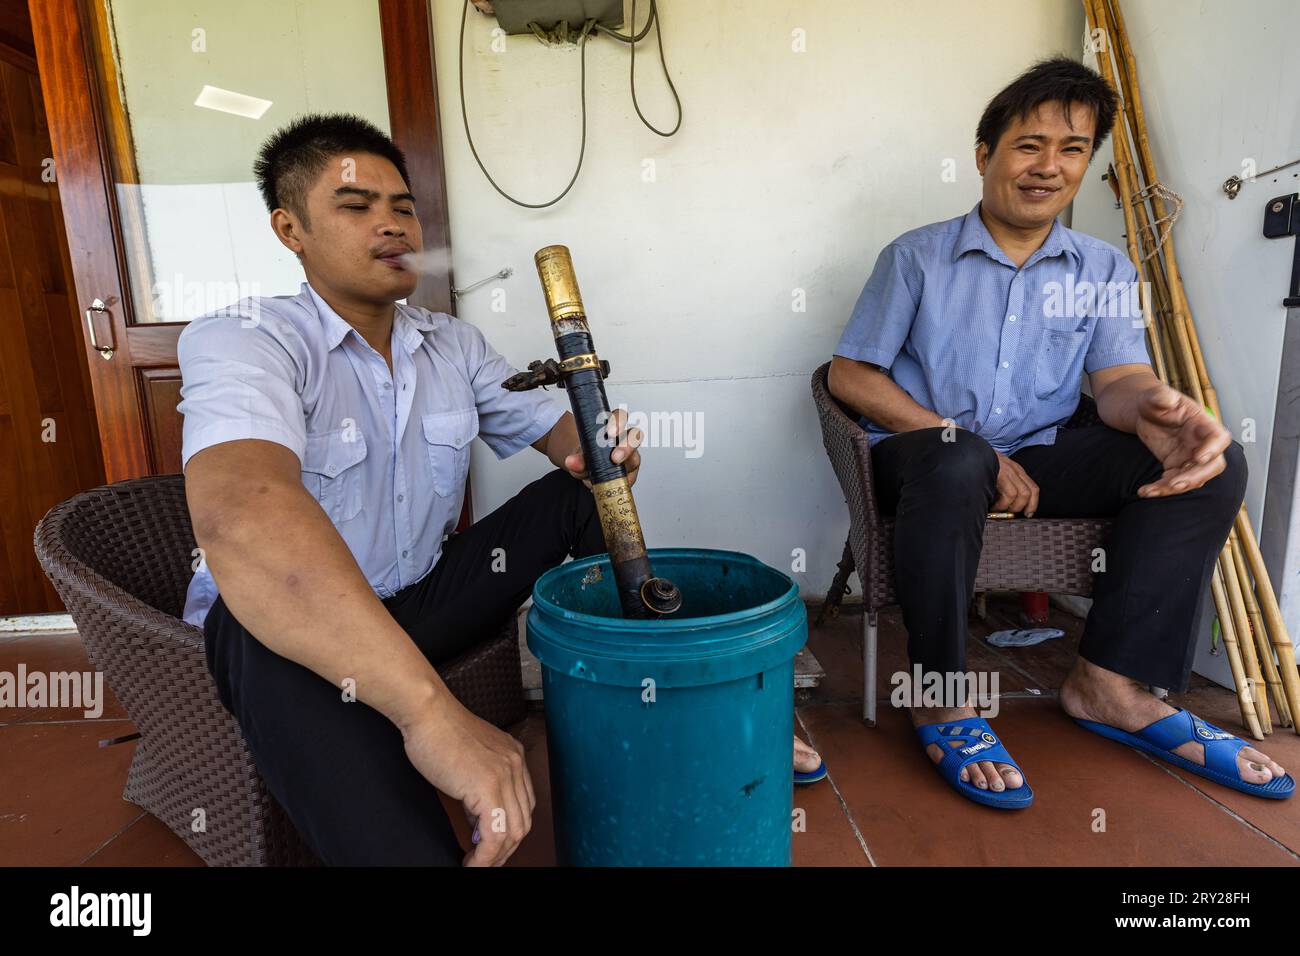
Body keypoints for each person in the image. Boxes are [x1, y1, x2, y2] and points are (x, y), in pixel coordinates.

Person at [180, 114, 820, 867]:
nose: (391, 225)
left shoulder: (451, 342)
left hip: (422, 596)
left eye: (403, 206)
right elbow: (241, 514)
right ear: (291, 229)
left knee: (583, 494)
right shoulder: (247, 337)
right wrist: (429, 716)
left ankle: (671, 693)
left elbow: (561, 441)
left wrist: (596, 452)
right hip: (286, 626)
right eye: (356, 208)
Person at [829, 58, 1292, 808]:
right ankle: (941, 691)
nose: (1049, 167)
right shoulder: (915, 257)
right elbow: (849, 376)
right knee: (957, 461)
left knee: (1215, 464)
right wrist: (953, 438)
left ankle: (1109, 682)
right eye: (1028, 145)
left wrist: (1158, 410)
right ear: (985, 156)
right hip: (925, 459)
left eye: (1072, 148)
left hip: (1043, 451)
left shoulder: (1103, 267)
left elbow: (1117, 383)